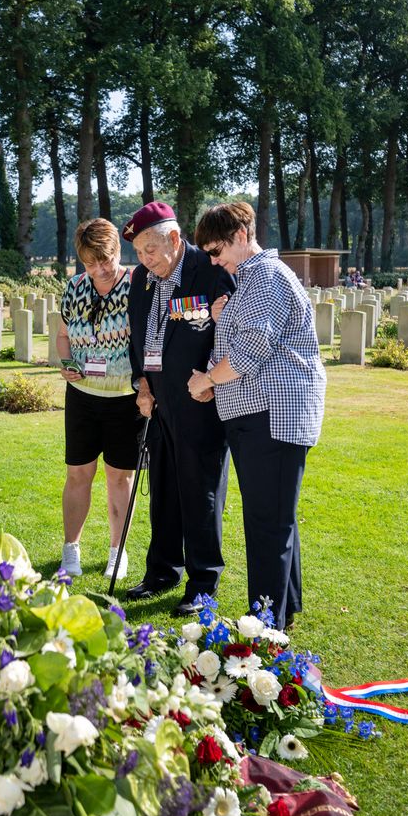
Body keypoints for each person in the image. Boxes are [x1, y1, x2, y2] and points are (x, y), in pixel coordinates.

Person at [188, 201, 326, 631]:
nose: (214, 261)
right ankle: (284, 610)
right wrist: (220, 319)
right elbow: (240, 341)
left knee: (268, 522)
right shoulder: (249, 279)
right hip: (258, 412)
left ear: (241, 235)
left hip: (273, 414)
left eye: (216, 251)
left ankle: (264, 627)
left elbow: (251, 351)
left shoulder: (265, 277)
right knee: (274, 517)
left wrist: (207, 380)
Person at [123, 201, 235, 617]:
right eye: (139, 252)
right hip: (157, 400)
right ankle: (163, 571)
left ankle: (203, 583)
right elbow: (138, 336)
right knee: (164, 490)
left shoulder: (210, 270)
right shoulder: (141, 278)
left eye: (150, 250)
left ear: (174, 238)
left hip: (199, 399)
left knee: (200, 492)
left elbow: (230, 332)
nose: (145, 260)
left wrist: (212, 381)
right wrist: (142, 382)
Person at [57, 219, 140, 579]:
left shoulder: (138, 284)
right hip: (82, 397)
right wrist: (66, 363)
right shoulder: (74, 287)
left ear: (118, 251)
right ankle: (70, 549)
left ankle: (117, 552)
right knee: (78, 473)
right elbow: (63, 336)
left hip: (125, 398)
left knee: (119, 477)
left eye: (105, 260)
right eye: (90, 263)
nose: (99, 270)